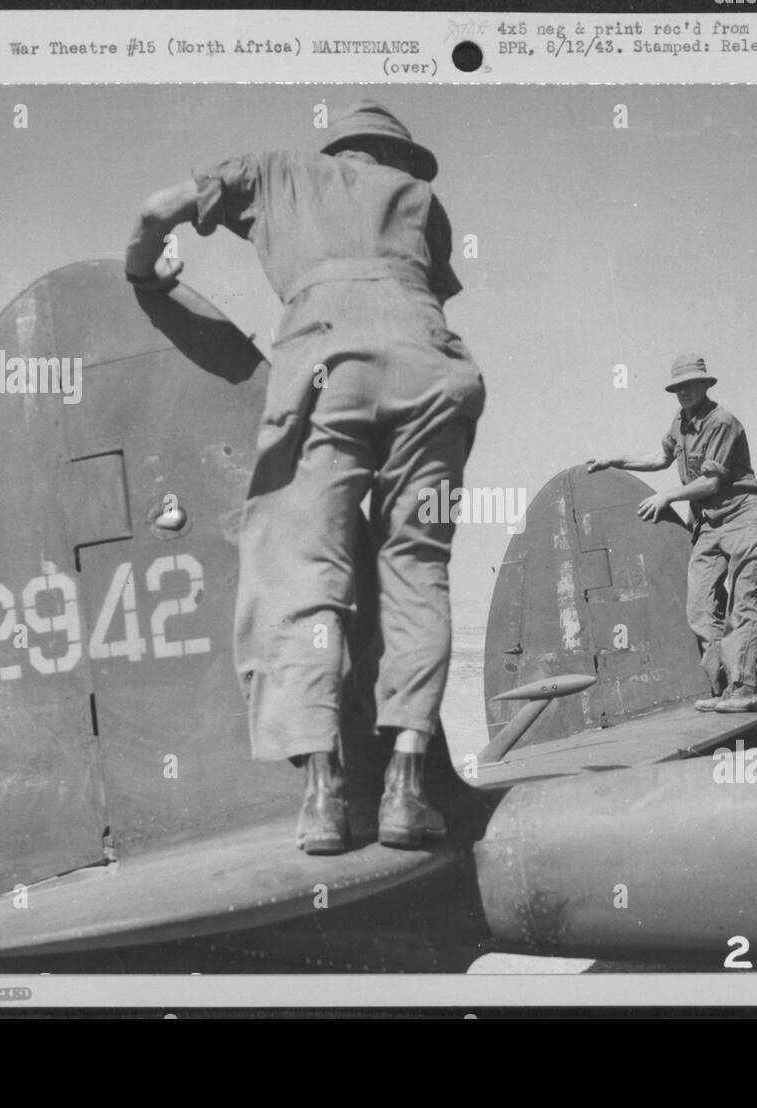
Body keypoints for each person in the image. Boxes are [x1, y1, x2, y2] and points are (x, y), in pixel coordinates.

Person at [124, 101, 485, 853]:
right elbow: (421, 290)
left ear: (340, 148)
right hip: (435, 367)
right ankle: (406, 791)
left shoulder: (279, 170)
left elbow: (156, 209)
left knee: (300, 570)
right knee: (417, 566)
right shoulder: (422, 200)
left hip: (328, 363)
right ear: (397, 158)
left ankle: (324, 797)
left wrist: (146, 273)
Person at [586, 354, 757, 712]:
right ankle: (723, 689)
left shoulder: (722, 422)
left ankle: (745, 688)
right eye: (678, 387)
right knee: (700, 609)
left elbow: (711, 480)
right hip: (707, 525)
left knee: (742, 602)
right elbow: (660, 456)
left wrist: (666, 496)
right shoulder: (681, 421)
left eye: (690, 385)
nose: (684, 392)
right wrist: (614, 460)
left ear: (705, 384)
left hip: (742, 519)